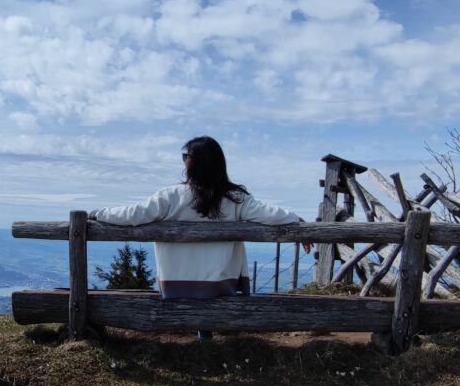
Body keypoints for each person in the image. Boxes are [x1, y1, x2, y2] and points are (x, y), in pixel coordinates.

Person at [90, 136, 311, 335]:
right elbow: (269, 214)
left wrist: (98, 214)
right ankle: (216, 340)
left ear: (193, 162)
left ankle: (203, 339)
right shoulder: (235, 198)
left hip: (176, 285)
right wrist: (297, 221)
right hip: (221, 284)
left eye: (185, 156)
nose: (183, 160)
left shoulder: (171, 196)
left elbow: (134, 214)